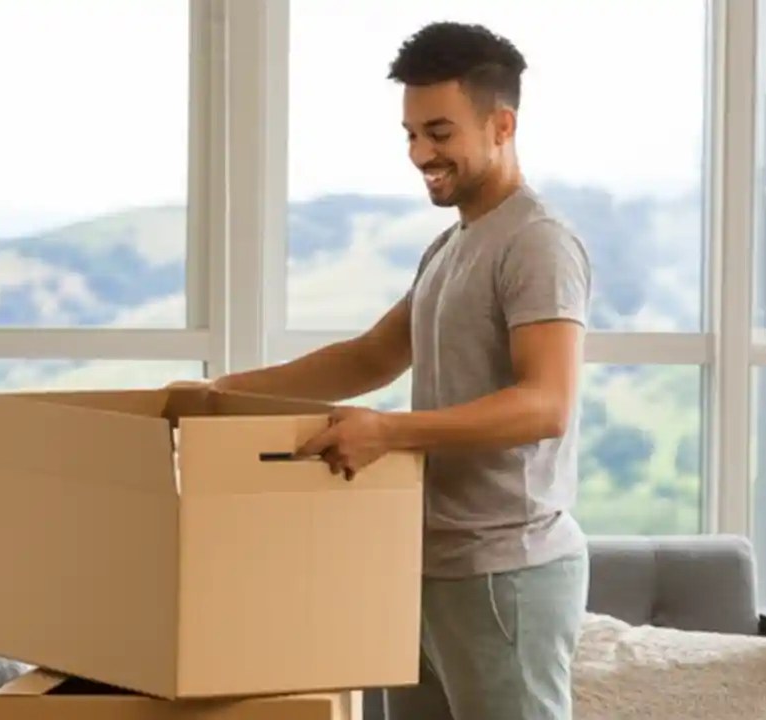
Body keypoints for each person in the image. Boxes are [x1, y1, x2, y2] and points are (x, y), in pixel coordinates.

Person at [206, 21, 591, 720]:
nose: (420, 154)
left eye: (439, 133)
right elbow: (371, 356)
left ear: (502, 125)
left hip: (505, 569)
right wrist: (222, 393)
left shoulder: (537, 243)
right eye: (411, 134)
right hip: (427, 562)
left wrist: (389, 433)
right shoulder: (452, 246)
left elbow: (546, 404)